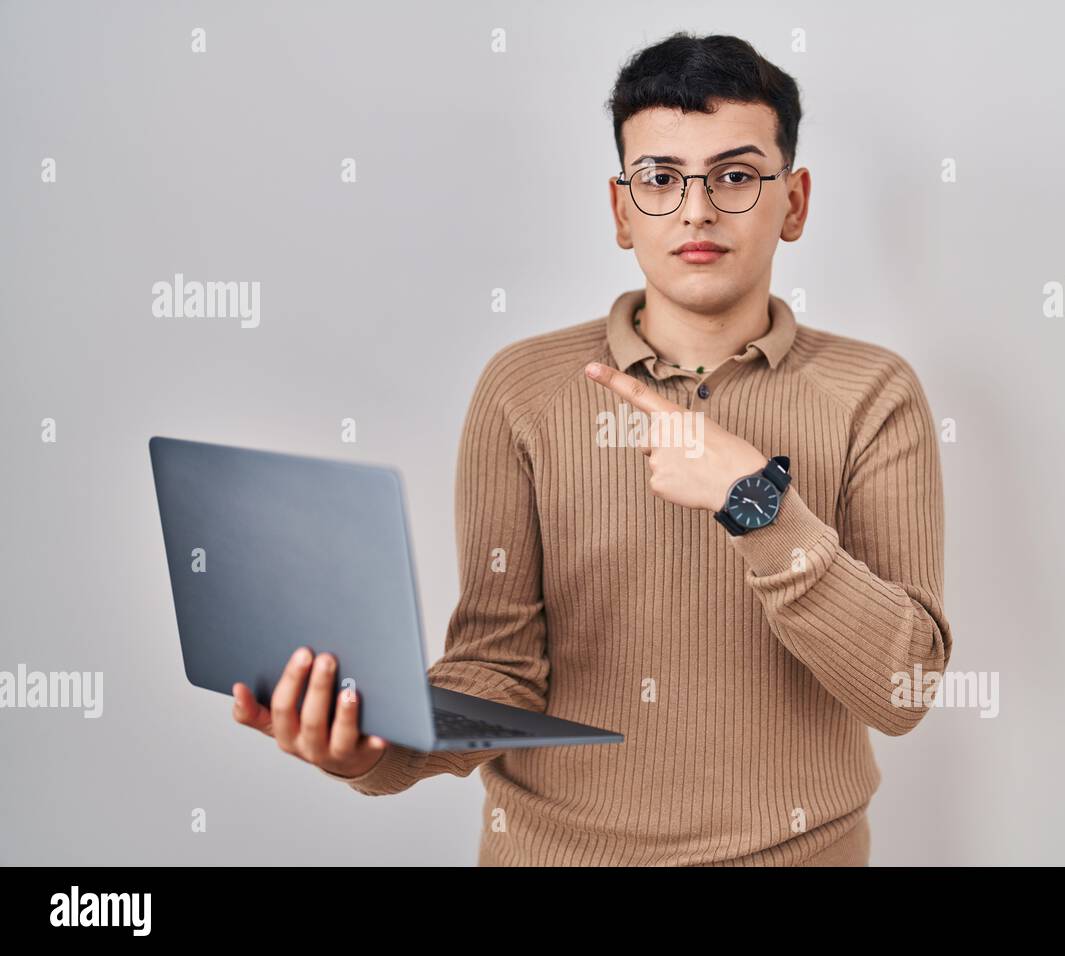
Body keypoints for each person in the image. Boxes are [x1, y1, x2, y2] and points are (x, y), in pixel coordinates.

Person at [233, 30, 953, 866]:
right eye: (659, 179)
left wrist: (761, 507)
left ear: (793, 202)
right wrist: (376, 751)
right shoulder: (524, 389)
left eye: (735, 175)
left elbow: (904, 689)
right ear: (620, 210)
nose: (696, 209)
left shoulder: (874, 393)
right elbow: (498, 671)